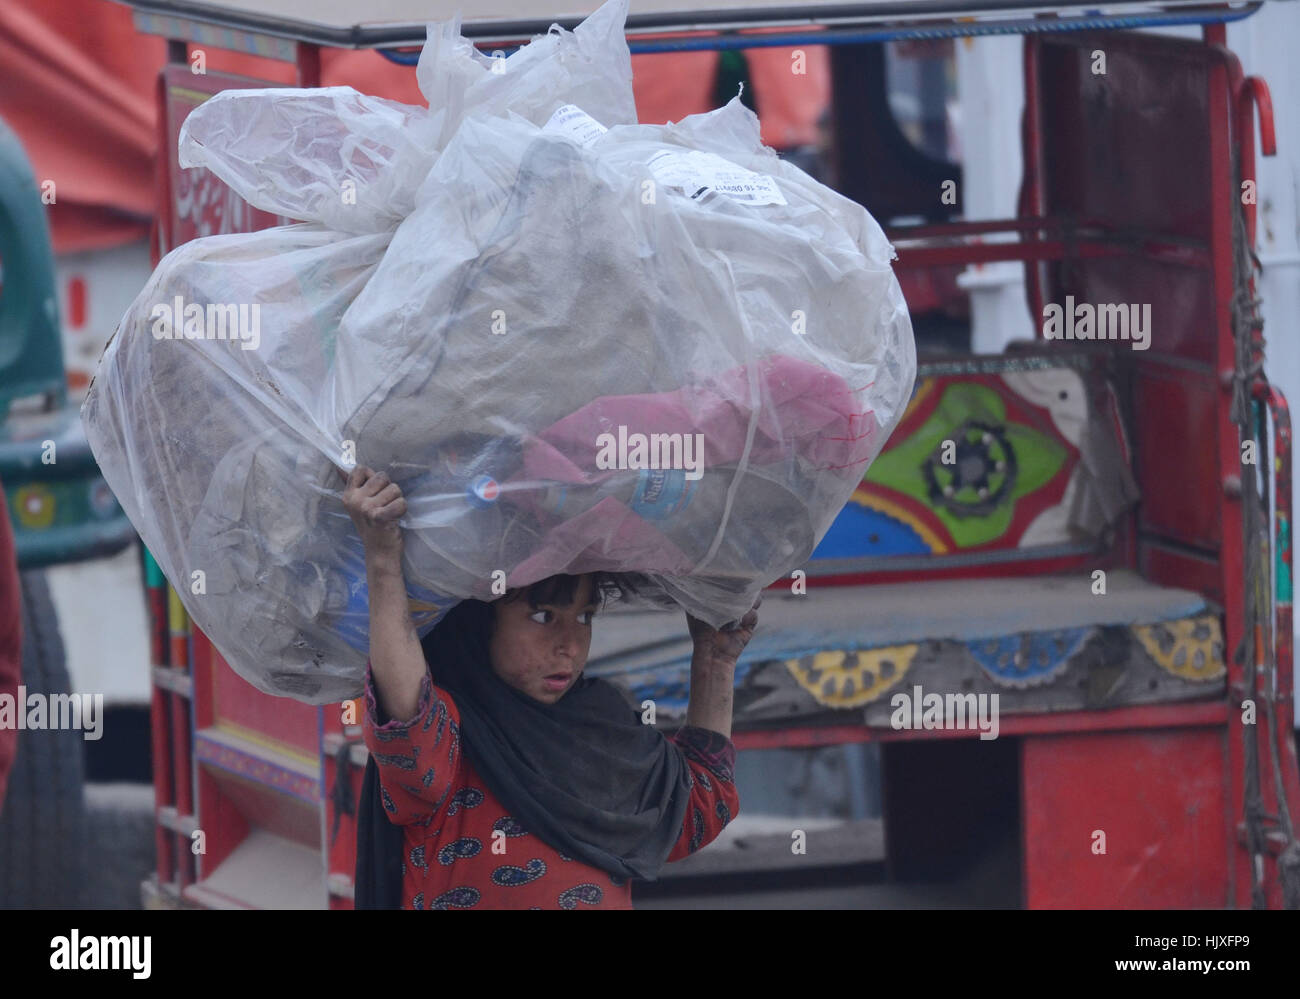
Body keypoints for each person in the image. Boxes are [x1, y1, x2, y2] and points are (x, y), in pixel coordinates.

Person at [342, 464, 760, 909]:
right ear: (479, 623)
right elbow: (408, 714)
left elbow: (697, 810)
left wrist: (714, 661)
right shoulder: (454, 746)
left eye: (584, 617)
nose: (570, 644)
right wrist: (383, 558)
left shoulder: (604, 734)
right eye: (543, 616)